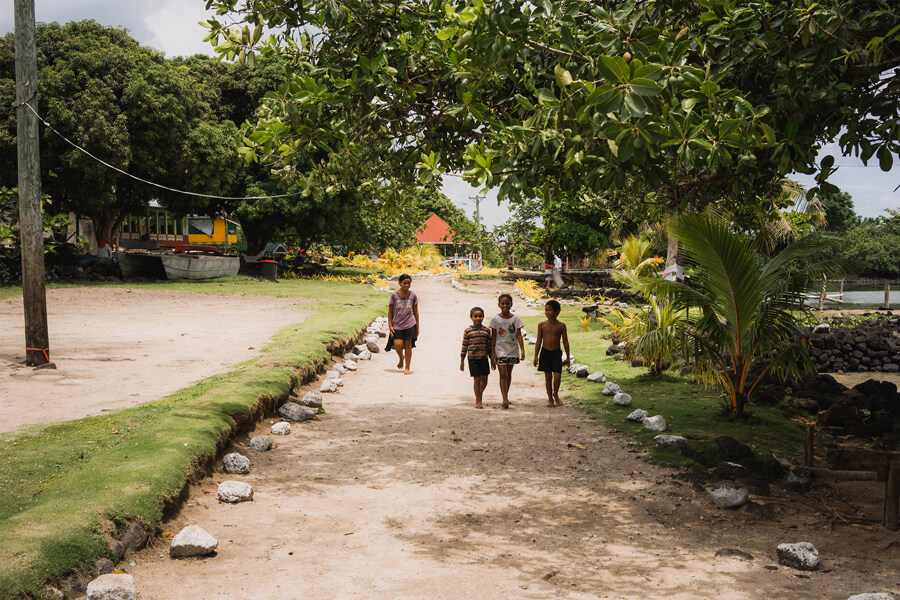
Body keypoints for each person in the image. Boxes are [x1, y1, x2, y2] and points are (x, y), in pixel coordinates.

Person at [490, 293, 525, 409]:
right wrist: (492, 352)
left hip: (512, 350)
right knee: (503, 374)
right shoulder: (495, 319)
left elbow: (518, 334)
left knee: (509, 374)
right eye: (503, 303)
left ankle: (506, 395)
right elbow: (493, 336)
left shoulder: (516, 318)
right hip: (500, 350)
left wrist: (522, 349)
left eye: (507, 303)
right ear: (499, 305)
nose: (505, 305)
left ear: (511, 304)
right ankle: (504, 399)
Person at [534, 299, 571, 407]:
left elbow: (565, 341)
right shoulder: (542, 325)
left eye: (549, 310)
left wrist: (568, 356)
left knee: (557, 376)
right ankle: (550, 398)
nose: (547, 312)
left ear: (557, 311)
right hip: (545, 353)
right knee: (548, 377)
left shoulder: (561, 325)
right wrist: (536, 356)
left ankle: (556, 394)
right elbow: (538, 341)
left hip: (556, 353)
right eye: (546, 310)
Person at [460, 306, 493, 409]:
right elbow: (464, 346)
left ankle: (479, 394)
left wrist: (492, 359)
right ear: (471, 317)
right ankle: (478, 400)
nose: (478, 318)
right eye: (475, 316)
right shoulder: (468, 331)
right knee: (477, 379)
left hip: (484, 358)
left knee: (485, 380)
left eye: (480, 316)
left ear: (483, 317)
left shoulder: (487, 331)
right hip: (473, 359)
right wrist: (462, 360)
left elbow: (489, 346)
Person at [387, 274, 419, 374]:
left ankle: (407, 368)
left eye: (408, 283)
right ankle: (401, 357)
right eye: (404, 283)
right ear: (400, 283)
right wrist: (390, 326)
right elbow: (390, 312)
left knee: (408, 344)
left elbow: (416, 312)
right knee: (398, 345)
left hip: (410, 324)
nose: (406, 285)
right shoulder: (394, 296)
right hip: (397, 324)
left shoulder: (413, 296)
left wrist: (417, 327)